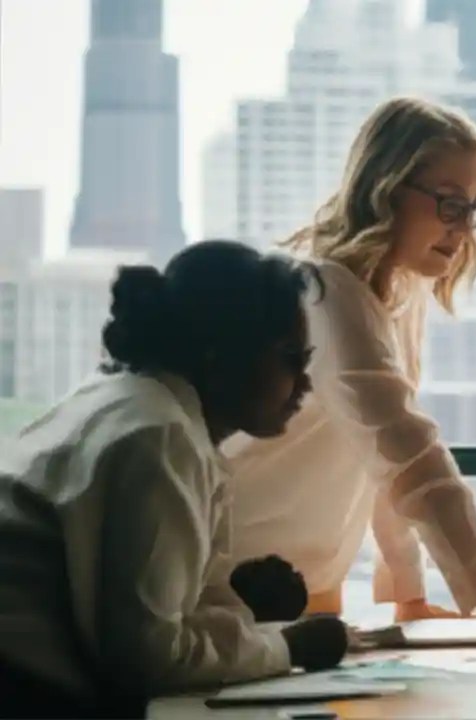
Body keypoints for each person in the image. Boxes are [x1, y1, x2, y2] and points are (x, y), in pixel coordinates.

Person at [221, 96, 476, 672]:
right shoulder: (325, 291)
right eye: (449, 204)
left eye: (474, 209)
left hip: (296, 589)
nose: (464, 230)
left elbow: (381, 463)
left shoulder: (398, 299)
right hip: (227, 580)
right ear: (385, 188)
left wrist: (407, 593)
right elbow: (412, 459)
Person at [0, 241, 348, 718]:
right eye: (290, 358)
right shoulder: (159, 437)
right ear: (220, 353)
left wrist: (243, 615)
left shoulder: (129, 401)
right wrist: (290, 648)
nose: (305, 383)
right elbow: (150, 659)